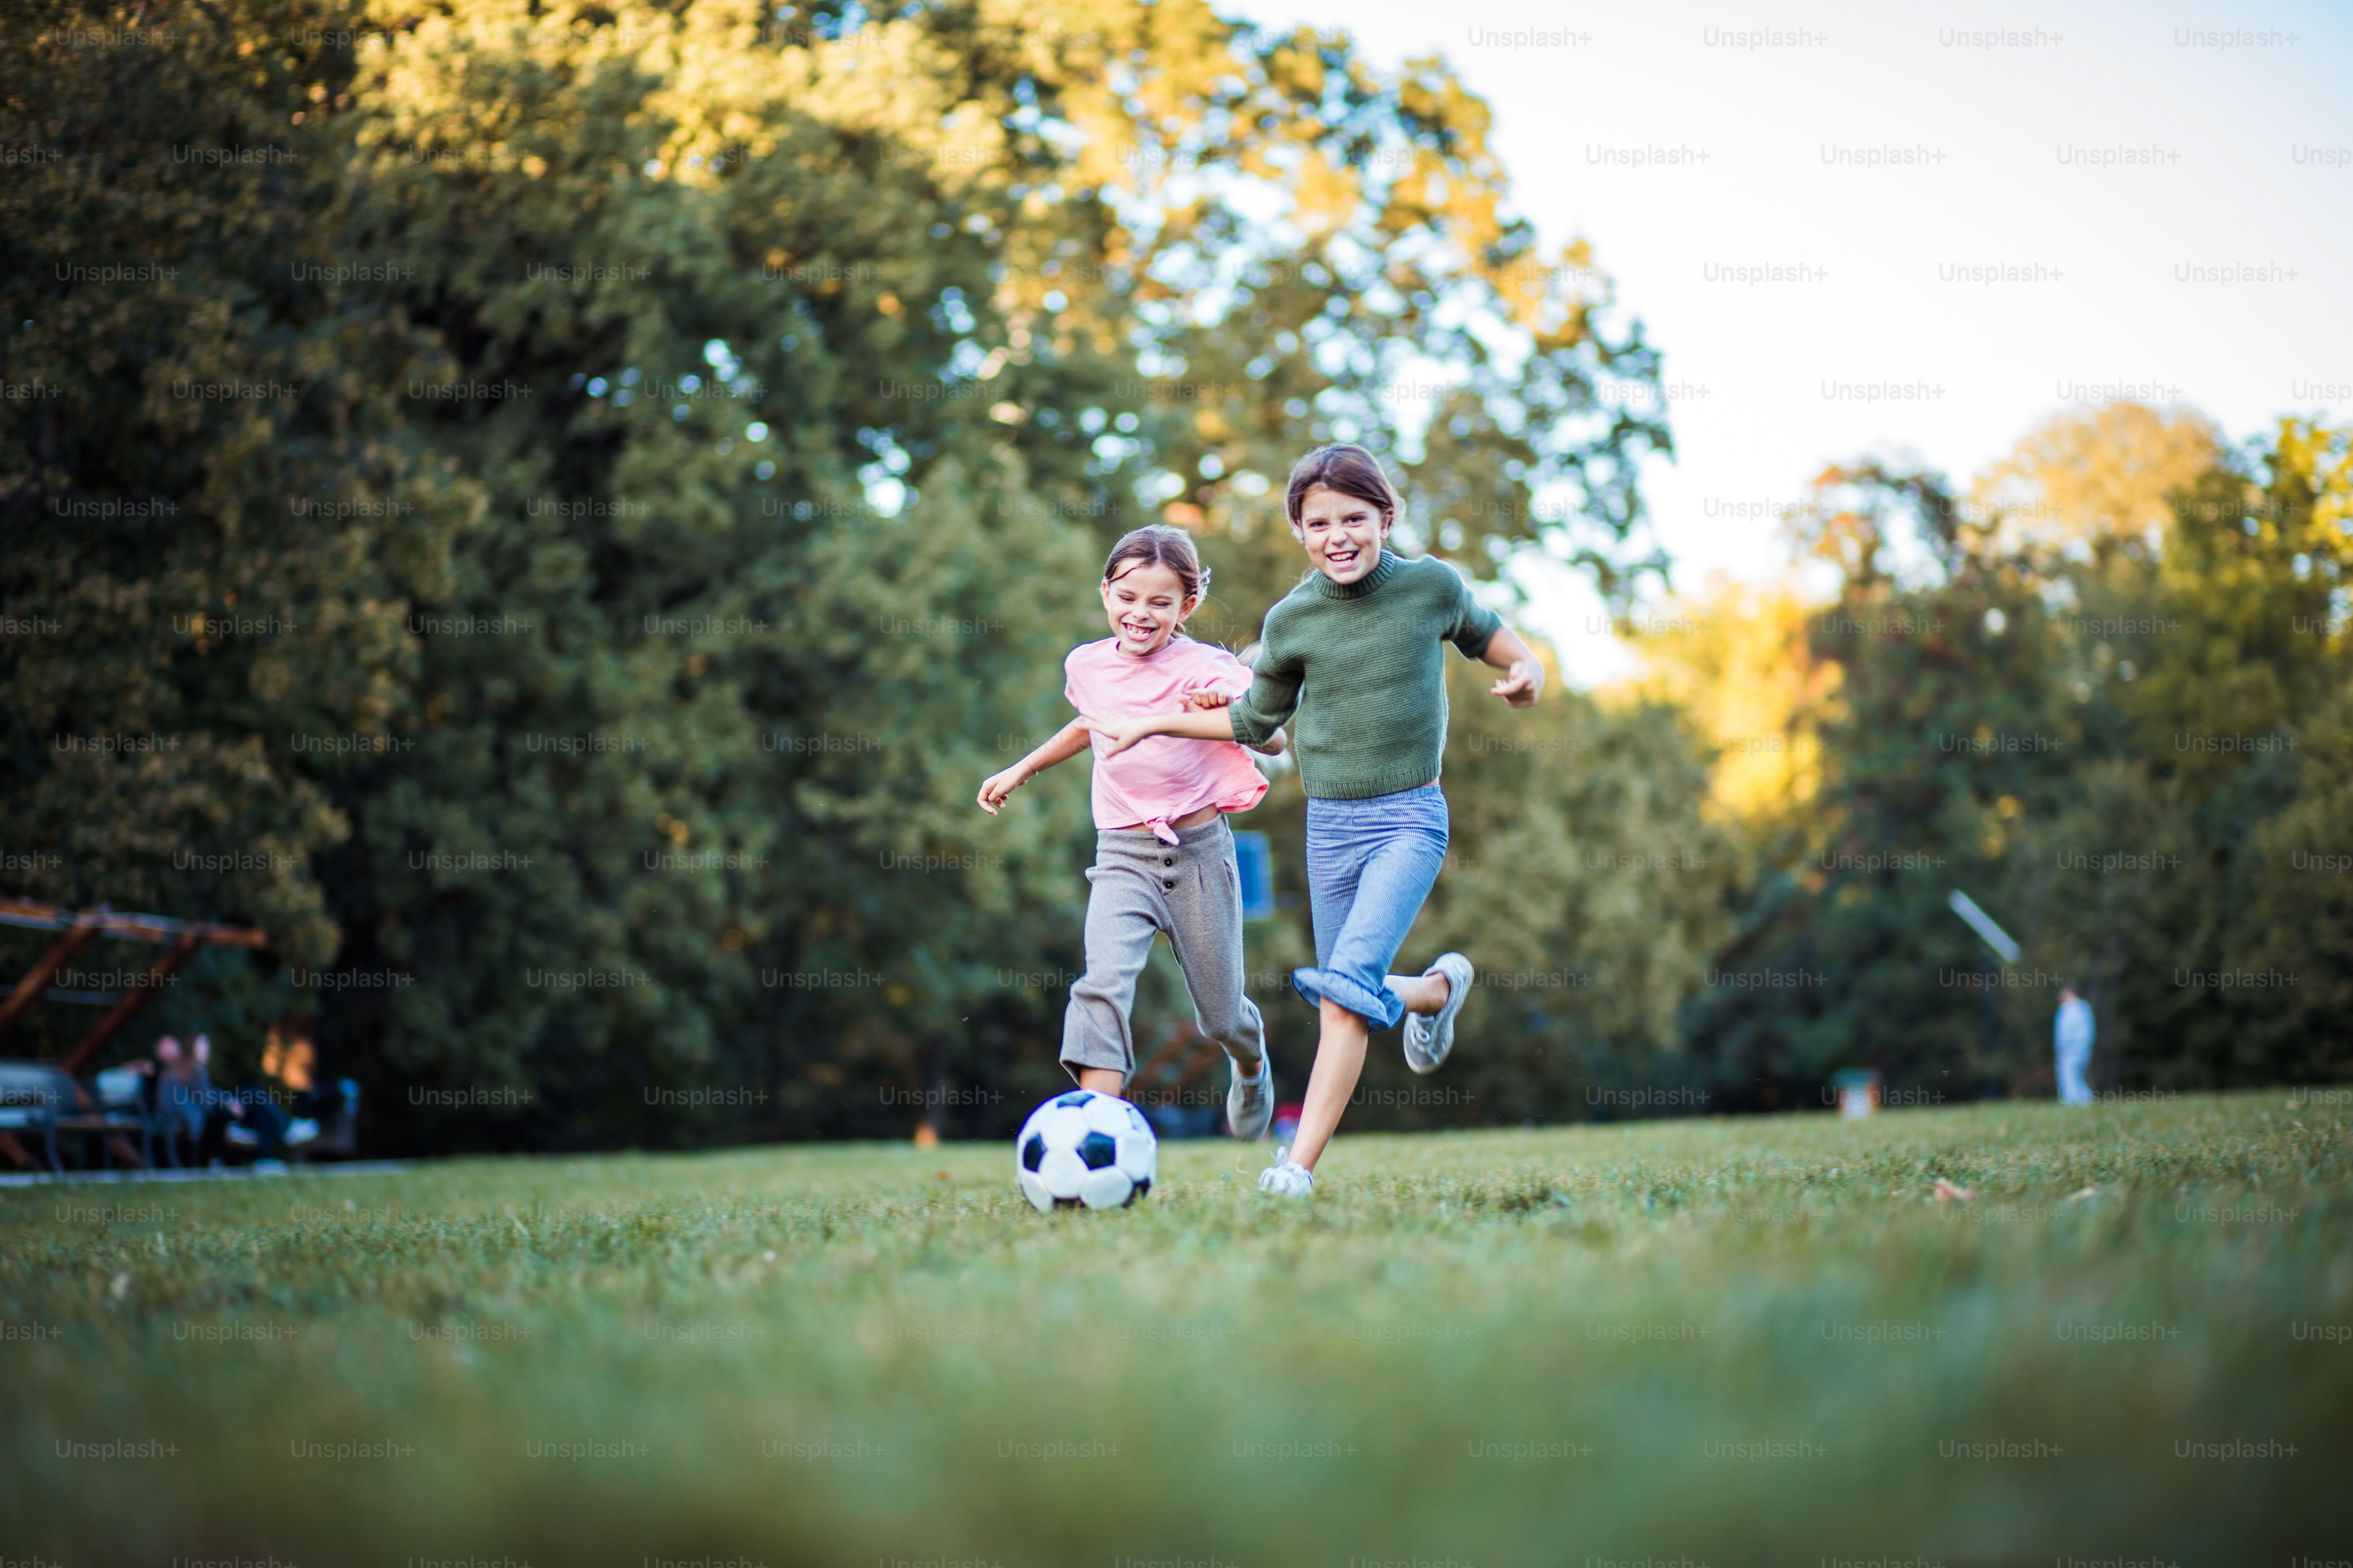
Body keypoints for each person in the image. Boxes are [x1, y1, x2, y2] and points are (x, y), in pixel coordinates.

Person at [1083, 445, 1544, 1196]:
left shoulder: (1430, 587)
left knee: (1341, 991)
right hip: (1328, 830)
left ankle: (1294, 1168)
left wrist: (1527, 672)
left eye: (1354, 519)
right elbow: (1254, 721)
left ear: (1386, 517)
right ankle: (1434, 991)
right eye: (1319, 522)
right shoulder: (1292, 619)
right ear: (1299, 530)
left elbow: (1498, 641)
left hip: (1409, 820)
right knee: (1348, 993)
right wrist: (1160, 721)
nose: (1338, 536)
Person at [978, 525, 1289, 1139]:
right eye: (1126, 597)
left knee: (1221, 1017)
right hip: (1123, 853)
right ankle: (1097, 1128)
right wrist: (1021, 768)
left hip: (1199, 855)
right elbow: (1087, 726)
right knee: (1102, 984)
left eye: (1159, 601)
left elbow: (1274, 739)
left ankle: (1251, 1066)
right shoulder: (1086, 664)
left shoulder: (1208, 668)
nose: (1139, 613)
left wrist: (1224, 712)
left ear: (1187, 605)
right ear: (1105, 593)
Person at [2055, 983, 2095, 1106]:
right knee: (2077, 1078)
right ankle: (2086, 1101)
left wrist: (2060, 1047)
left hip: (2069, 1050)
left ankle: (2072, 1103)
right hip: (2084, 1049)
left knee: (2068, 1078)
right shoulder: (2084, 1008)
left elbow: (2064, 1032)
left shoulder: (2066, 1009)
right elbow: (2091, 1030)